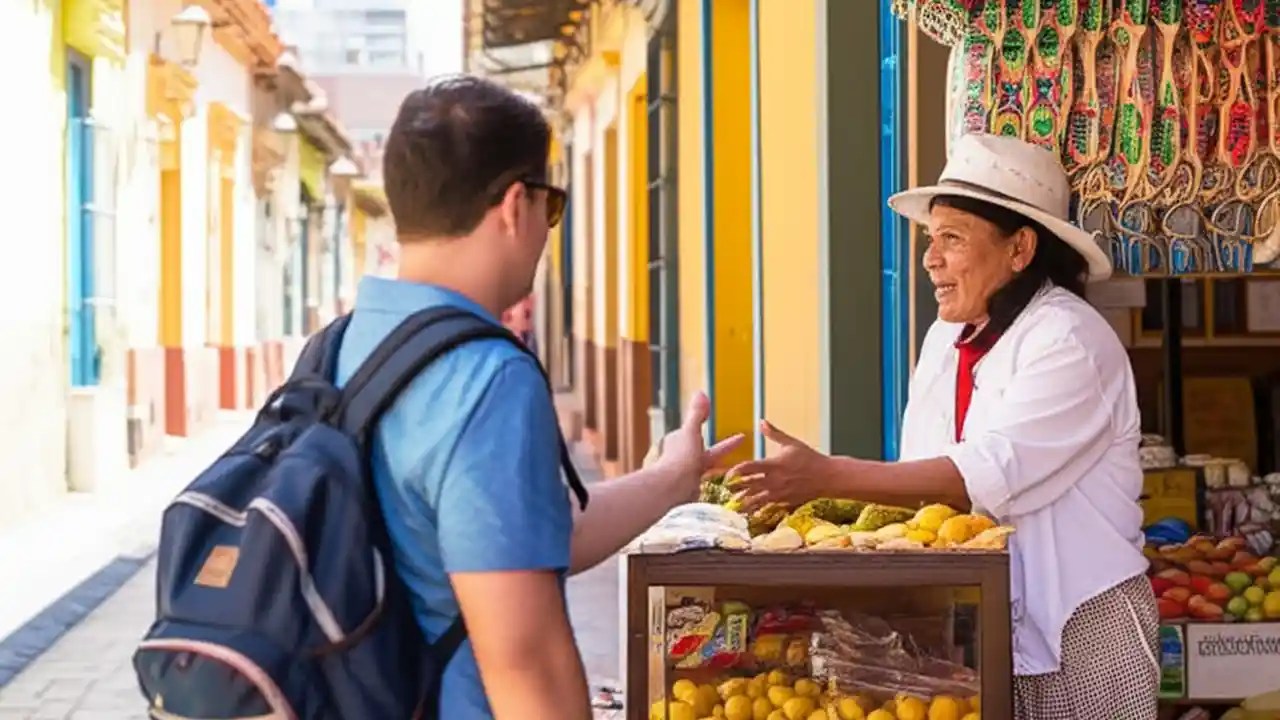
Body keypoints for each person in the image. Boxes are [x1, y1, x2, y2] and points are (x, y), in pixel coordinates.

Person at [336, 76, 743, 719]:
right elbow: (526, 659)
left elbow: (518, 536)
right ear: (515, 206)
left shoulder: (344, 347)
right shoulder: (485, 377)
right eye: (552, 207)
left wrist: (673, 477)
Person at [729, 134, 1158, 719]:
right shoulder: (946, 339)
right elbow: (922, 474)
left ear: (1020, 249)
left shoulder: (1070, 339)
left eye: (952, 239)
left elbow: (980, 475)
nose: (929, 258)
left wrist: (824, 476)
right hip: (978, 625)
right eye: (932, 239)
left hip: (1079, 631)